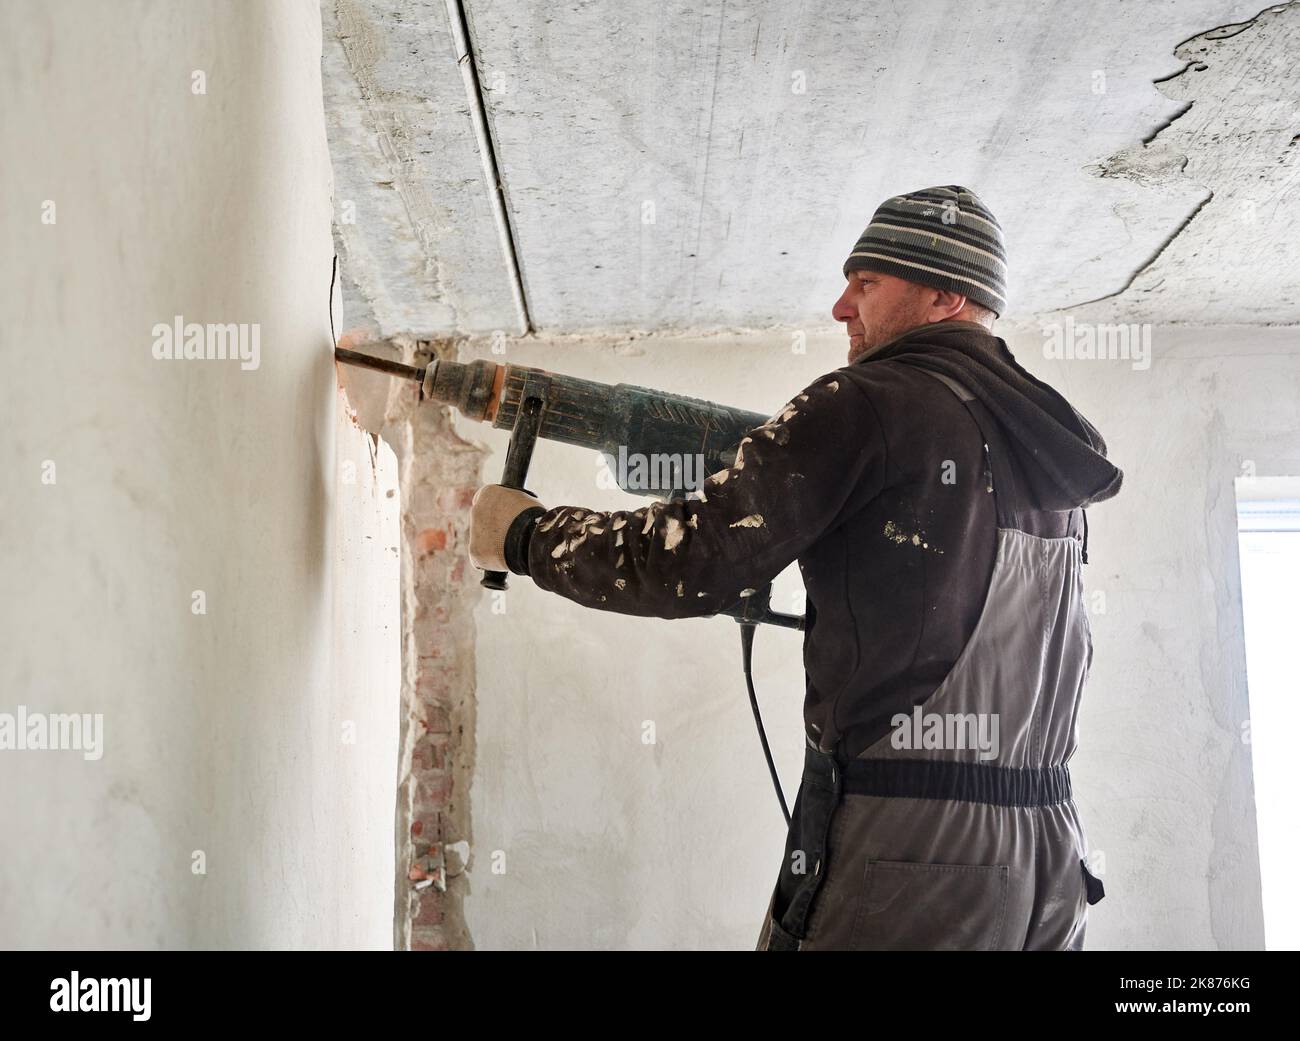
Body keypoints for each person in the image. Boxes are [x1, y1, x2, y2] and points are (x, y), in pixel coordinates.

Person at [469, 185, 1121, 950]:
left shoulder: (868, 401)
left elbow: (691, 560)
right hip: (1048, 862)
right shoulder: (1052, 450)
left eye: (867, 282)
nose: (842, 306)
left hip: (913, 859)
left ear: (946, 294)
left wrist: (525, 535)